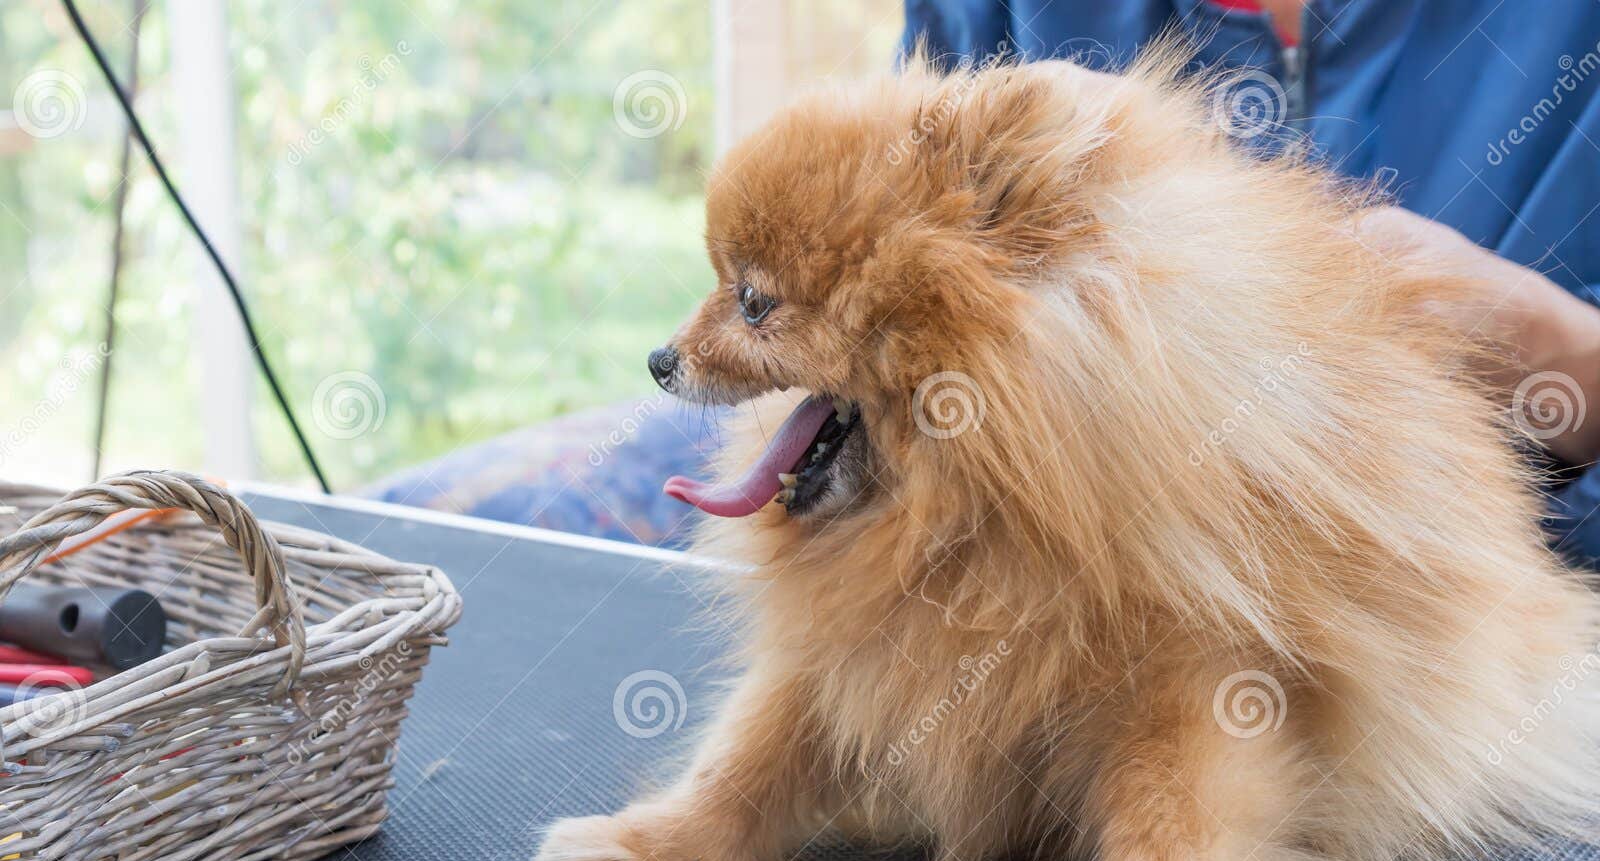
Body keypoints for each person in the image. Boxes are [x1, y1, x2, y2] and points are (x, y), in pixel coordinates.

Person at [374, 0, 1600, 563]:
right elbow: (853, 323)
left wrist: (1565, 359)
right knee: (428, 540)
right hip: (969, 512)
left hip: (1474, 576)